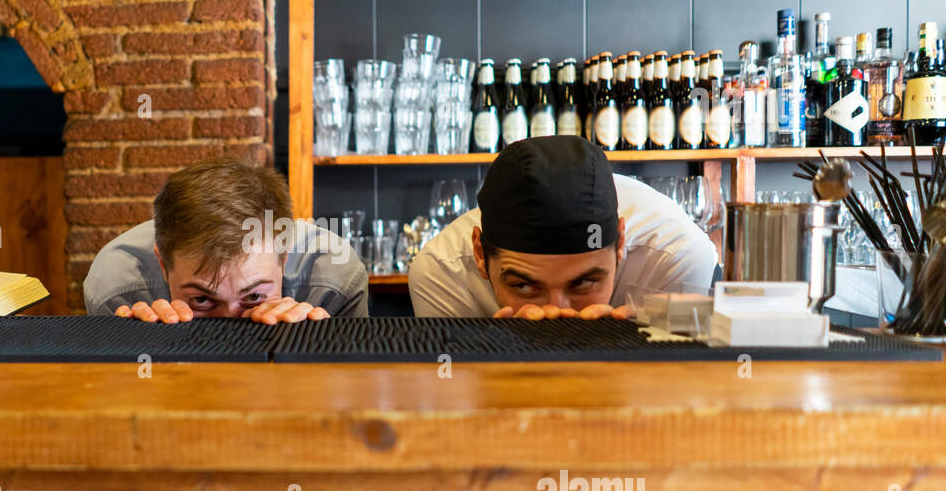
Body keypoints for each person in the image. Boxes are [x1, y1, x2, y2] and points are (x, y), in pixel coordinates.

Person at [408, 135, 718, 319]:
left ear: (620, 242)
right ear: (479, 253)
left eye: (583, 284)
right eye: (524, 286)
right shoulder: (441, 273)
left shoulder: (675, 256)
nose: (555, 312)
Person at [84, 156, 367, 324]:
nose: (230, 322)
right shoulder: (116, 286)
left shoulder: (334, 278)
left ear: (285, 255)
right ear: (162, 263)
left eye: (254, 296)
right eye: (202, 299)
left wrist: (315, 350)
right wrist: (134, 348)